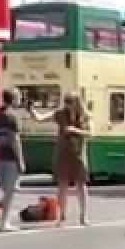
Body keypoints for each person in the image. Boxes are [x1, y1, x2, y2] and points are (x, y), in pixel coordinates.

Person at [32, 93, 91, 225]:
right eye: (66, 102)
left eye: (70, 102)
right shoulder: (60, 114)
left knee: (81, 185)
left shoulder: (85, 116)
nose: (67, 104)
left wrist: (75, 130)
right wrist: (32, 111)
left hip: (78, 154)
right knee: (62, 185)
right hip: (62, 153)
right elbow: (41, 118)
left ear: (77, 102)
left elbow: (90, 132)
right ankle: (62, 215)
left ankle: (83, 216)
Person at [0, 89, 26, 231]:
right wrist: (21, 160)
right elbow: (14, 140)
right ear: (14, 99)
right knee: (10, 191)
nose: (20, 100)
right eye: (19, 97)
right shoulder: (12, 117)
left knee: (0, 187)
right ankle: (4, 222)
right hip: (10, 158)